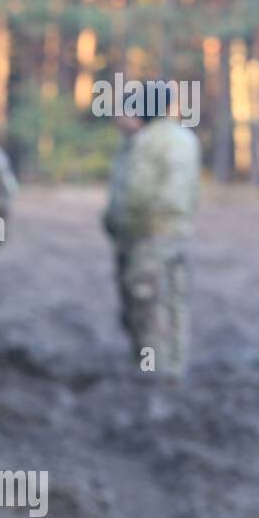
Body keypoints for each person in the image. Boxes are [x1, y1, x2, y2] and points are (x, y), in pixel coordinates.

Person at [102, 86, 200, 381]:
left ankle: (151, 369)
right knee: (174, 301)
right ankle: (174, 367)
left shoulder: (146, 142)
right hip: (178, 232)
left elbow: (135, 194)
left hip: (146, 236)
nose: (118, 118)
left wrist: (116, 225)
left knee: (145, 303)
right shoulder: (185, 138)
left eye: (124, 110)